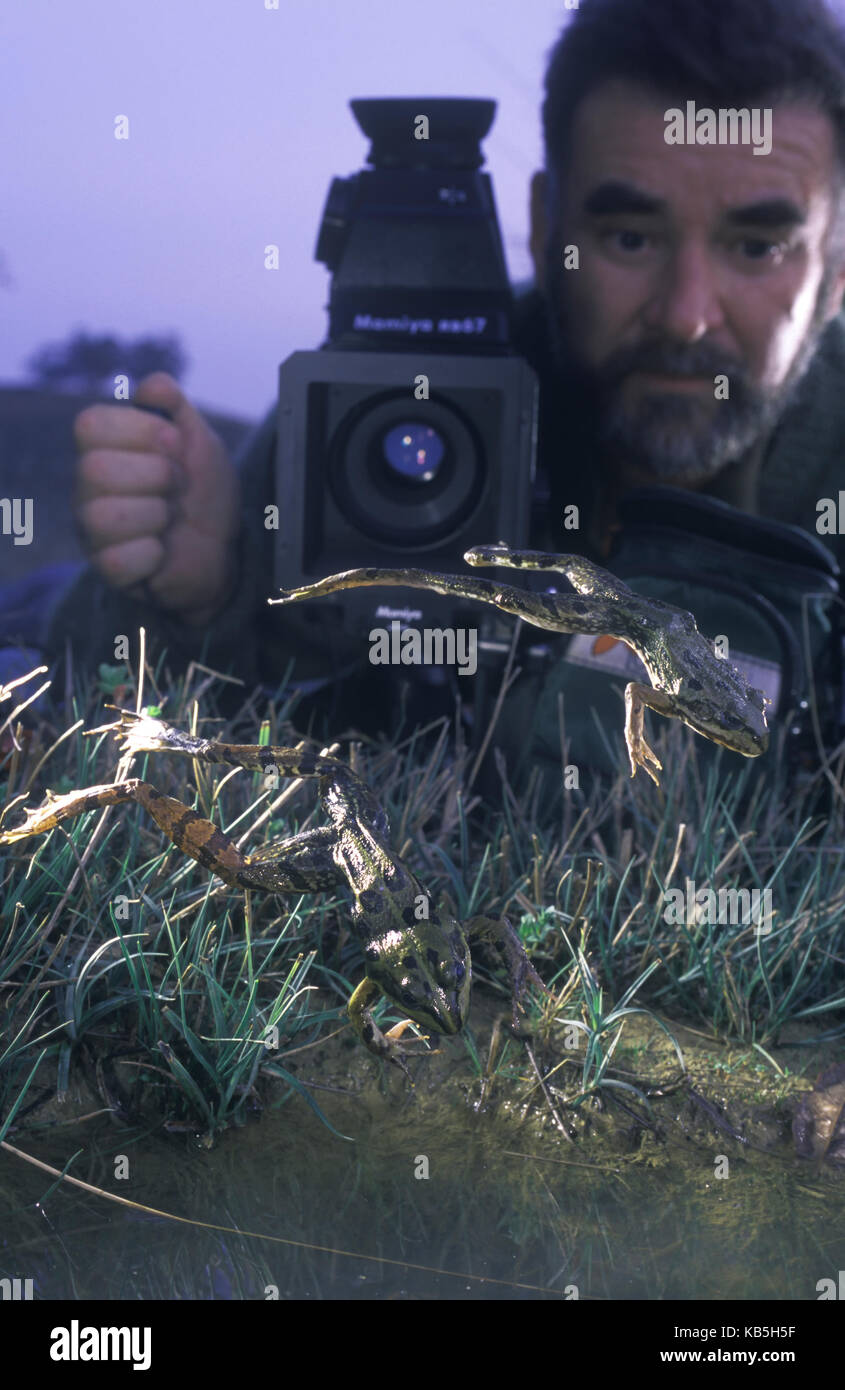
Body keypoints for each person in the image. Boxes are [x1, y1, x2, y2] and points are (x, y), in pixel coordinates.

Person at [13, 0, 845, 781]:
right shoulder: (400, 396)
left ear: (837, 268)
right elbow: (109, 704)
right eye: (629, 236)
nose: (686, 315)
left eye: (757, 247)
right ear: (543, 223)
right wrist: (196, 599)